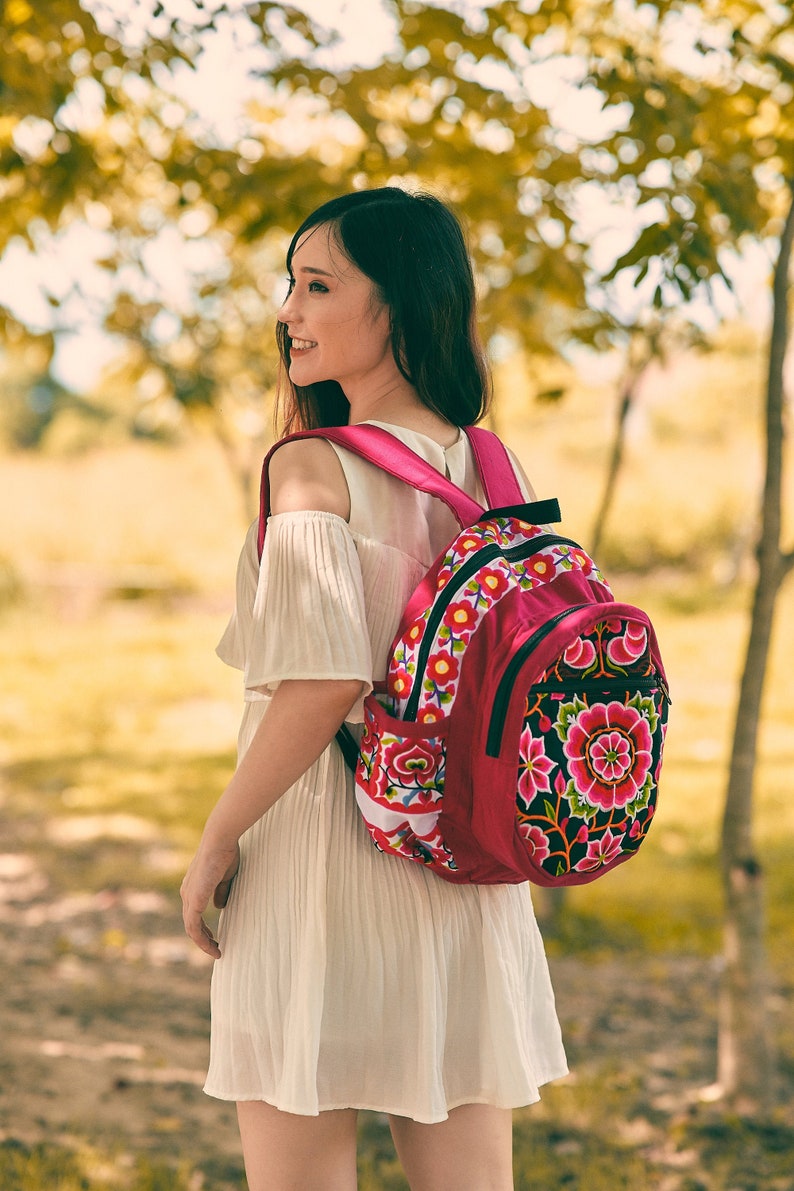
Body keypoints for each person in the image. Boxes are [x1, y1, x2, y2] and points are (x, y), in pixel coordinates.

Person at [181, 186, 567, 1191]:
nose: (287, 313)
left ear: (396, 303)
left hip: (318, 859)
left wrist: (217, 838)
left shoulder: (311, 468)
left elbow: (320, 683)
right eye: (289, 286)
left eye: (316, 287)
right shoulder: (491, 466)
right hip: (462, 857)